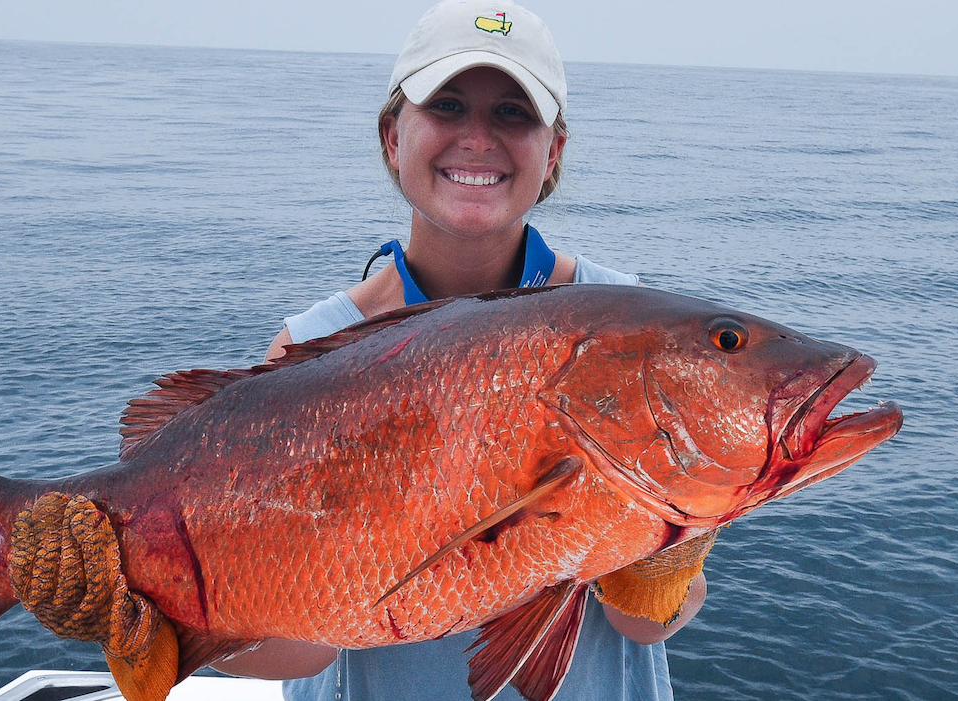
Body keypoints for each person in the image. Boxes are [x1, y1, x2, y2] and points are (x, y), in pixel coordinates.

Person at [211, 1, 708, 698]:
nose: (478, 137)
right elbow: (297, 652)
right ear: (392, 135)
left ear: (553, 150)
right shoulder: (312, 349)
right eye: (446, 105)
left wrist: (665, 561)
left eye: (513, 113)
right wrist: (156, 612)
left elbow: (649, 628)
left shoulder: (632, 329)